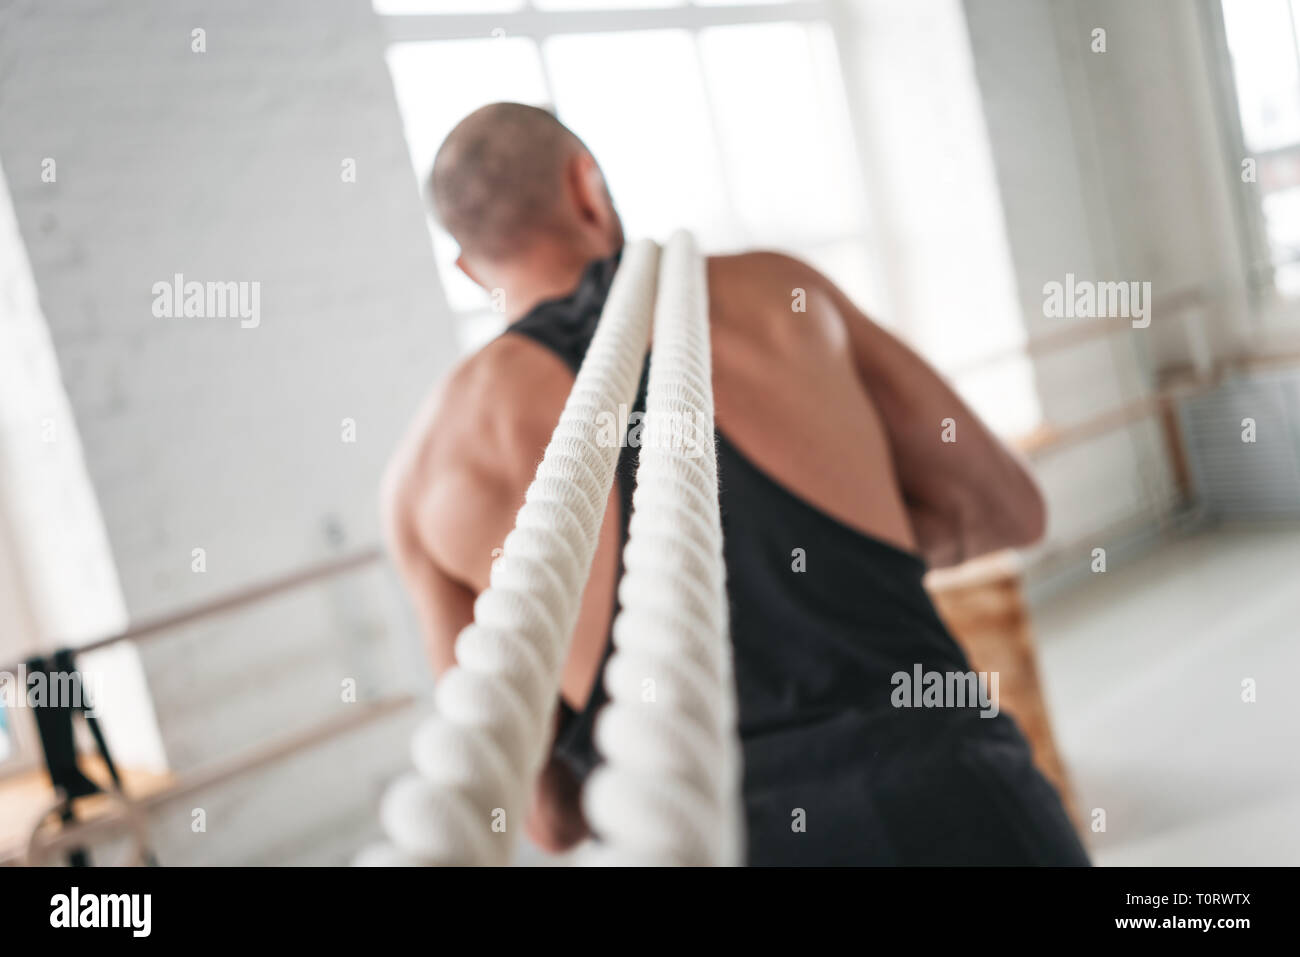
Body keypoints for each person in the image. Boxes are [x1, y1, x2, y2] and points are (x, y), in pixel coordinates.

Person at [382, 102, 1089, 865]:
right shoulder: (781, 293)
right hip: (951, 790)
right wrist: (841, 563)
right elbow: (1010, 509)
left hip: (708, 838)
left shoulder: (425, 470)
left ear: (467, 263)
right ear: (586, 187)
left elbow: (545, 817)